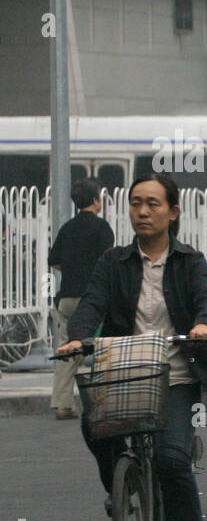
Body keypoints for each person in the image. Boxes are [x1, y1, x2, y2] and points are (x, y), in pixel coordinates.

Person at [57, 172, 207, 521]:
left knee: (171, 461)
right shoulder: (113, 261)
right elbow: (92, 302)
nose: (143, 211)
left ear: (172, 211)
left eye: (152, 203)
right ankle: (121, 482)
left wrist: (204, 324)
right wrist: (78, 336)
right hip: (124, 372)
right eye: (135, 203)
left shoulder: (190, 261)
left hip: (178, 376)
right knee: (95, 427)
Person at [48, 178, 115, 420]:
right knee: (101, 351)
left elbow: (53, 261)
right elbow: (108, 263)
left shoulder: (66, 228)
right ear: (97, 200)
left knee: (67, 351)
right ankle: (101, 403)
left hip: (67, 298)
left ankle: (62, 403)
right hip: (93, 300)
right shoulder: (102, 228)